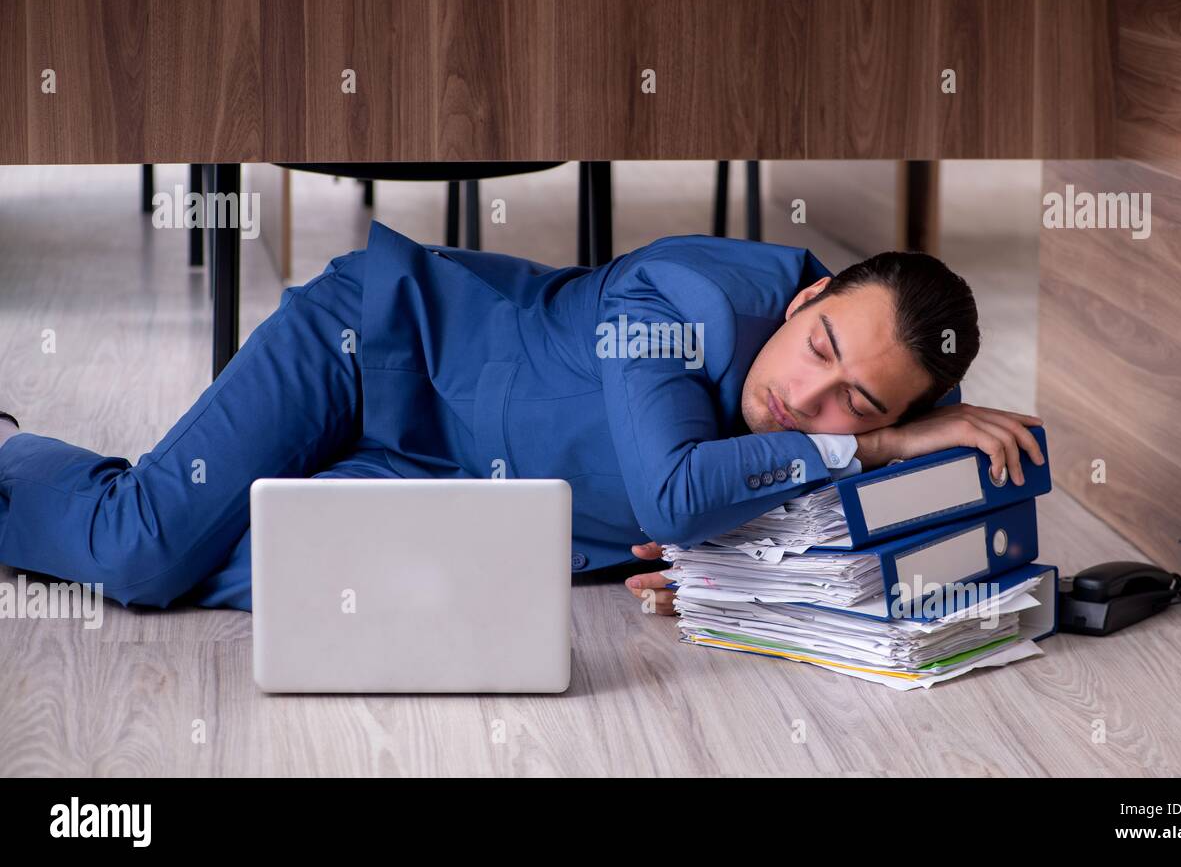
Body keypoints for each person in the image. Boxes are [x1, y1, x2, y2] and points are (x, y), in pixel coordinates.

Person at [0, 220, 1042, 615]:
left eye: (860, 400)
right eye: (818, 351)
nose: (809, 401)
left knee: (267, 571)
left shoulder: (882, 401)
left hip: (458, 494)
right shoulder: (678, 296)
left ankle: (167, 504)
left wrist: (735, 586)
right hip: (368, 352)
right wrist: (876, 439)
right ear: (809, 298)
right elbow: (675, 498)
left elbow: (847, 539)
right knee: (140, 552)